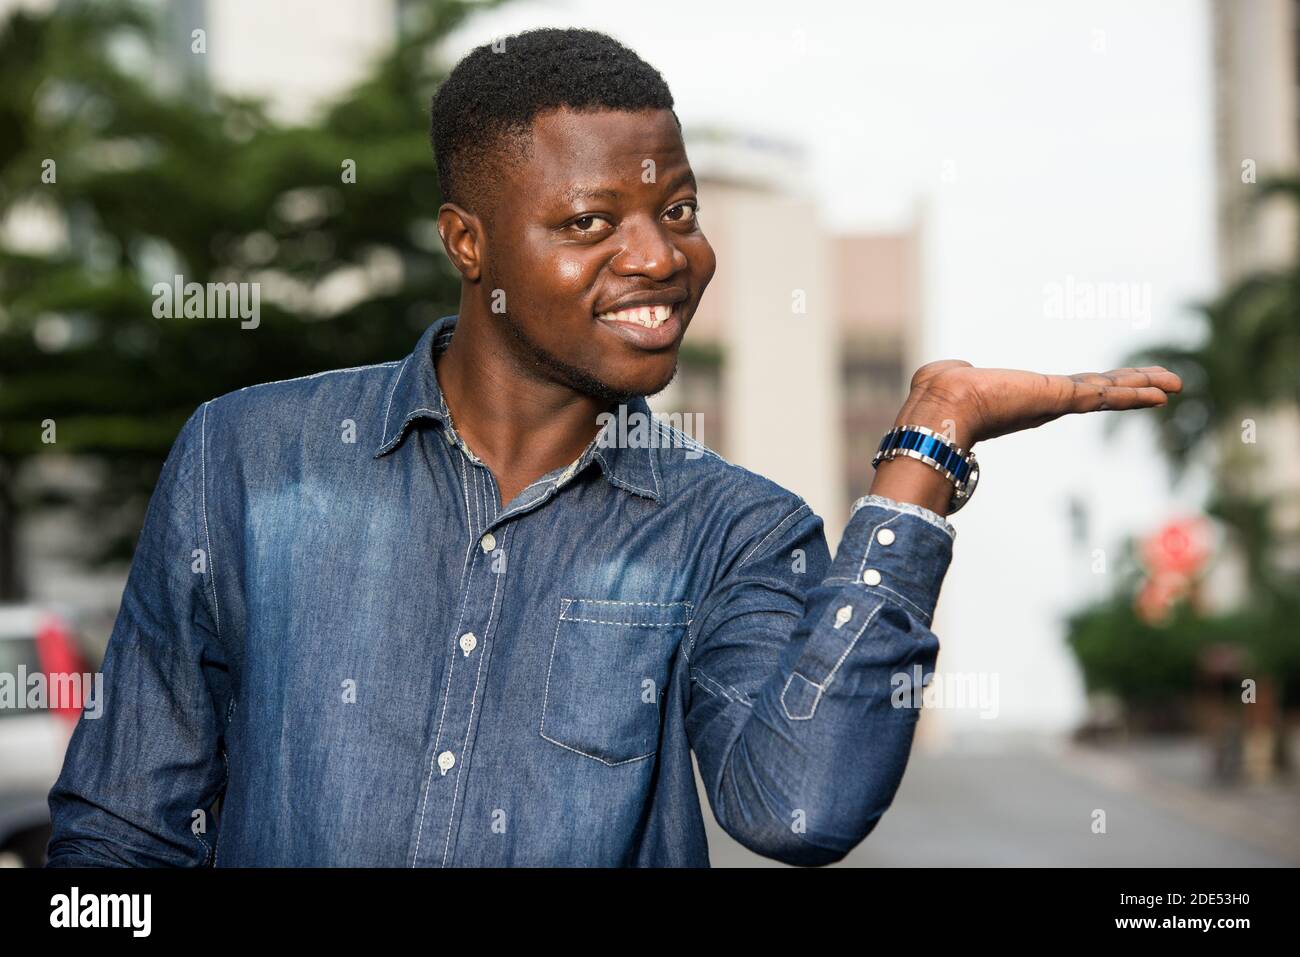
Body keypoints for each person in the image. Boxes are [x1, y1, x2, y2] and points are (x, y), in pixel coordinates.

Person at [46, 27, 1180, 867]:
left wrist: (923, 456)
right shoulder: (251, 462)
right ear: (469, 244)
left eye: (676, 212)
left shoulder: (736, 526)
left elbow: (799, 807)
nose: (659, 258)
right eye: (589, 224)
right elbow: (124, 829)